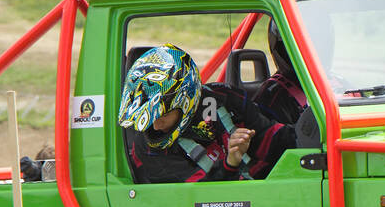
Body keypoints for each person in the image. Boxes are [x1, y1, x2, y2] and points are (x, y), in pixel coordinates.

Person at [118, 44, 297, 183]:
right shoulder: (148, 149)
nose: (156, 126)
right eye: (149, 118)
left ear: (186, 101)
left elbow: (275, 139)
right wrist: (230, 163)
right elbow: (202, 198)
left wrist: (307, 135)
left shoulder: (226, 100)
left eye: (162, 115)